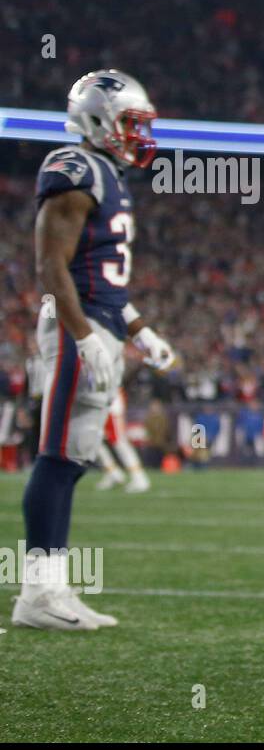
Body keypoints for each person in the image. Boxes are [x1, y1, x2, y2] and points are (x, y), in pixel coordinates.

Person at [16, 69, 176, 631]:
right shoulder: (74, 167)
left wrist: (139, 330)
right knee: (57, 455)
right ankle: (36, 593)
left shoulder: (109, 173)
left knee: (74, 458)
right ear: (98, 119)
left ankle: (52, 589)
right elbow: (51, 265)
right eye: (130, 122)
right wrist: (82, 334)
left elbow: (104, 278)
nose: (138, 133)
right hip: (73, 323)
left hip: (100, 320)